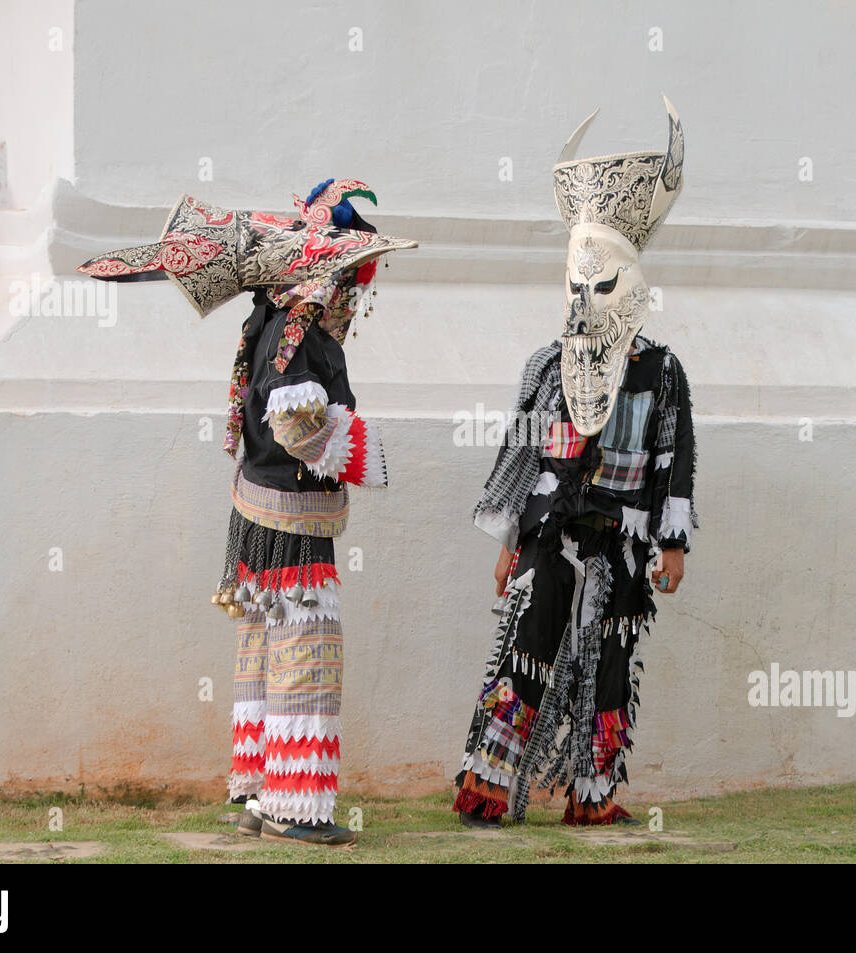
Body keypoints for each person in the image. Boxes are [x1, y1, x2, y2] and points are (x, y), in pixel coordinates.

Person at [80, 179, 416, 846]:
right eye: (350, 277)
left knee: (264, 648)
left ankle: (264, 792)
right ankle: (296, 808)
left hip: (256, 511)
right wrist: (362, 453)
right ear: (325, 275)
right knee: (304, 652)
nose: (354, 293)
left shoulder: (266, 323)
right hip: (293, 522)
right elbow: (294, 422)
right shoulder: (307, 339)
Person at [454, 98, 697, 827]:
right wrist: (507, 544)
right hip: (547, 539)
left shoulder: (661, 372)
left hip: (620, 543)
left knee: (611, 667)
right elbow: (519, 454)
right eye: (577, 283)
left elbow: (673, 460)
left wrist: (673, 543)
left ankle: (593, 794)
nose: (587, 299)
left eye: (604, 284)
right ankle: (486, 783)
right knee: (523, 652)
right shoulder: (544, 366)